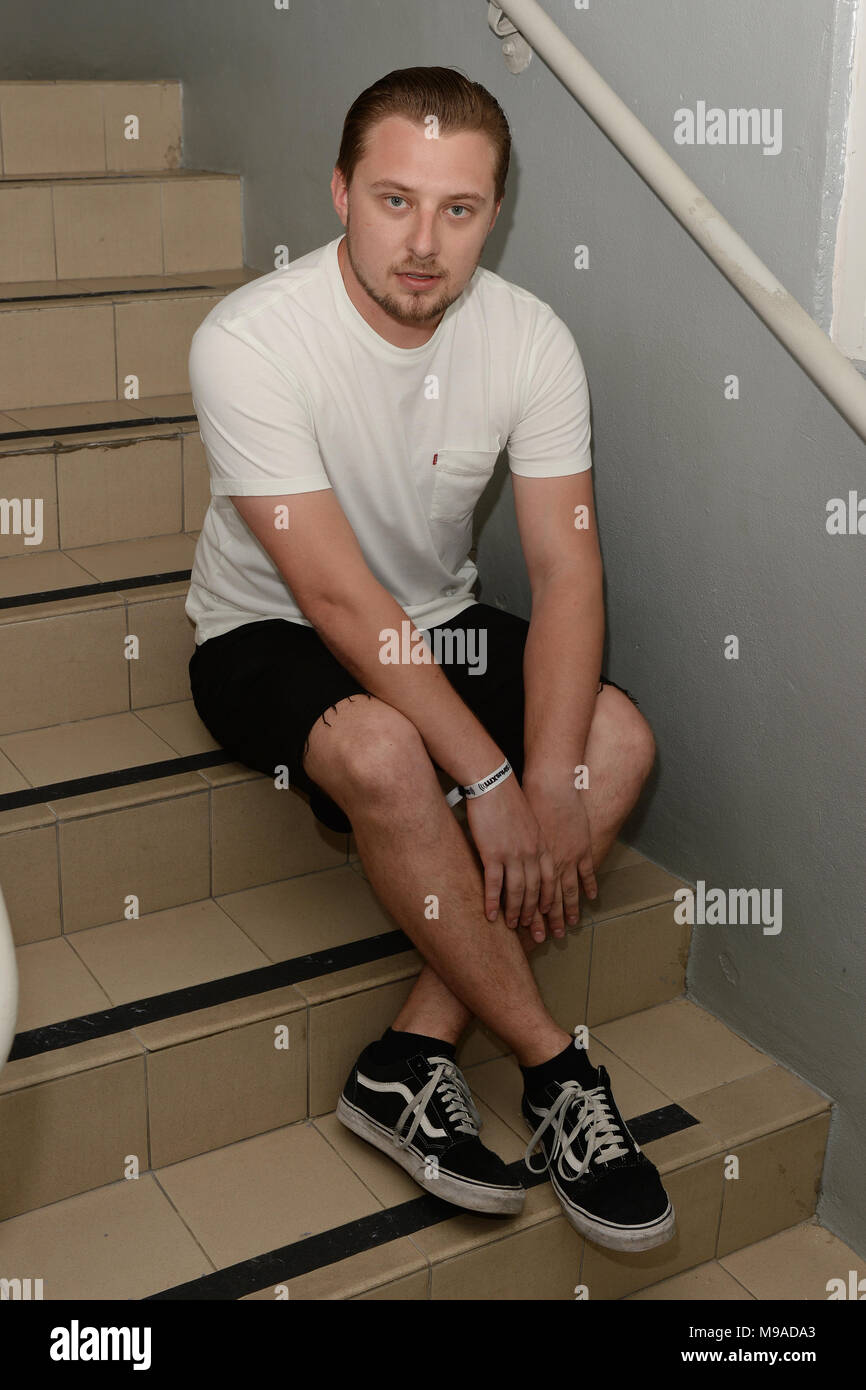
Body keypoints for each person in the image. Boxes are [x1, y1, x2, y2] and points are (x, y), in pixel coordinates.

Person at [185, 66, 675, 1254]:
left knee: (618, 741)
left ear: (493, 213)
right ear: (340, 192)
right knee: (389, 746)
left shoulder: (528, 339)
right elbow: (334, 595)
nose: (422, 242)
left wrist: (549, 778)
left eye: (457, 209)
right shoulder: (248, 339)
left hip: (436, 619)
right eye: (394, 199)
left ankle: (407, 1056)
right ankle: (556, 1072)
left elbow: (566, 576)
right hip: (267, 629)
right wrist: (491, 783)